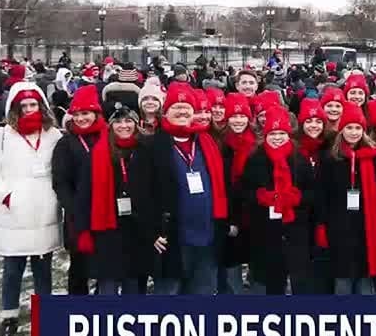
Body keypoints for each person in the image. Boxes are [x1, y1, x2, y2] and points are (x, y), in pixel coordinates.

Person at [0, 82, 63, 336]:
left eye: (33, 104)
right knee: (13, 268)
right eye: (23, 106)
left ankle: (45, 314)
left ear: (41, 105)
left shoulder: (53, 135)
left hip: (43, 211)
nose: (28, 110)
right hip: (14, 212)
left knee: (43, 268)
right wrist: (5, 194)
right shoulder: (1, 135)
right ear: (15, 108)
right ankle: (9, 316)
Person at [147, 83, 231, 295]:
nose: (183, 111)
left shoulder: (206, 142)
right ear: (165, 112)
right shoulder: (153, 145)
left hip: (206, 234)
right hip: (172, 237)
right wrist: (152, 230)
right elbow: (142, 192)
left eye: (187, 107)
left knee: (202, 291)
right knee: (169, 294)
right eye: (177, 106)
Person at [80, 101, 152, 296]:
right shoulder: (98, 153)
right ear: (110, 125)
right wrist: (84, 229)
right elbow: (85, 193)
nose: (124, 125)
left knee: (134, 280)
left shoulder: (145, 149)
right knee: (108, 282)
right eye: (118, 121)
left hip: (137, 226)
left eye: (129, 121)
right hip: (108, 226)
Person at [317, 103, 376, 295]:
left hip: (366, 224)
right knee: (343, 277)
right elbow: (322, 193)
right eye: (349, 127)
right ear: (341, 130)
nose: (354, 132)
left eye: (358, 128)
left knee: (365, 276)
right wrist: (322, 224)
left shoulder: (374, 157)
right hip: (338, 225)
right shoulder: (330, 158)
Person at [240, 106, 313, 296]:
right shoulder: (255, 158)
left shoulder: (299, 158)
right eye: (273, 133)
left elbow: (312, 191)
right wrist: (261, 197)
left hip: (296, 228)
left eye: (282, 133)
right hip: (266, 229)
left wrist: (296, 198)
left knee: (300, 278)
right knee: (272, 279)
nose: (277, 137)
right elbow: (244, 190)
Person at [51, 85, 107, 296]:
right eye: (77, 114)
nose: (82, 118)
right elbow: (60, 181)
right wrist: (73, 208)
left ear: (96, 113)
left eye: (86, 113)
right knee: (79, 267)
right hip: (79, 215)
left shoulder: (106, 136)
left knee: (106, 265)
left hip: (106, 212)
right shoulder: (66, 143)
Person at [218, 94, 256, 294]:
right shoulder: (221, 144)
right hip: (229, 210)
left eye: (242, 116)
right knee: (230, 257)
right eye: (234, 116)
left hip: (252, 210)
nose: (238, 120)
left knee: (254, 255)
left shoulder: (256, 144)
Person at [296, 99, 330, 294]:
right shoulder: (294, 147)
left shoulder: (329, 146)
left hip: (325, 214)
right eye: (309, 121)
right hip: (301, 215)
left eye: (318, 121)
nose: (314, 126)